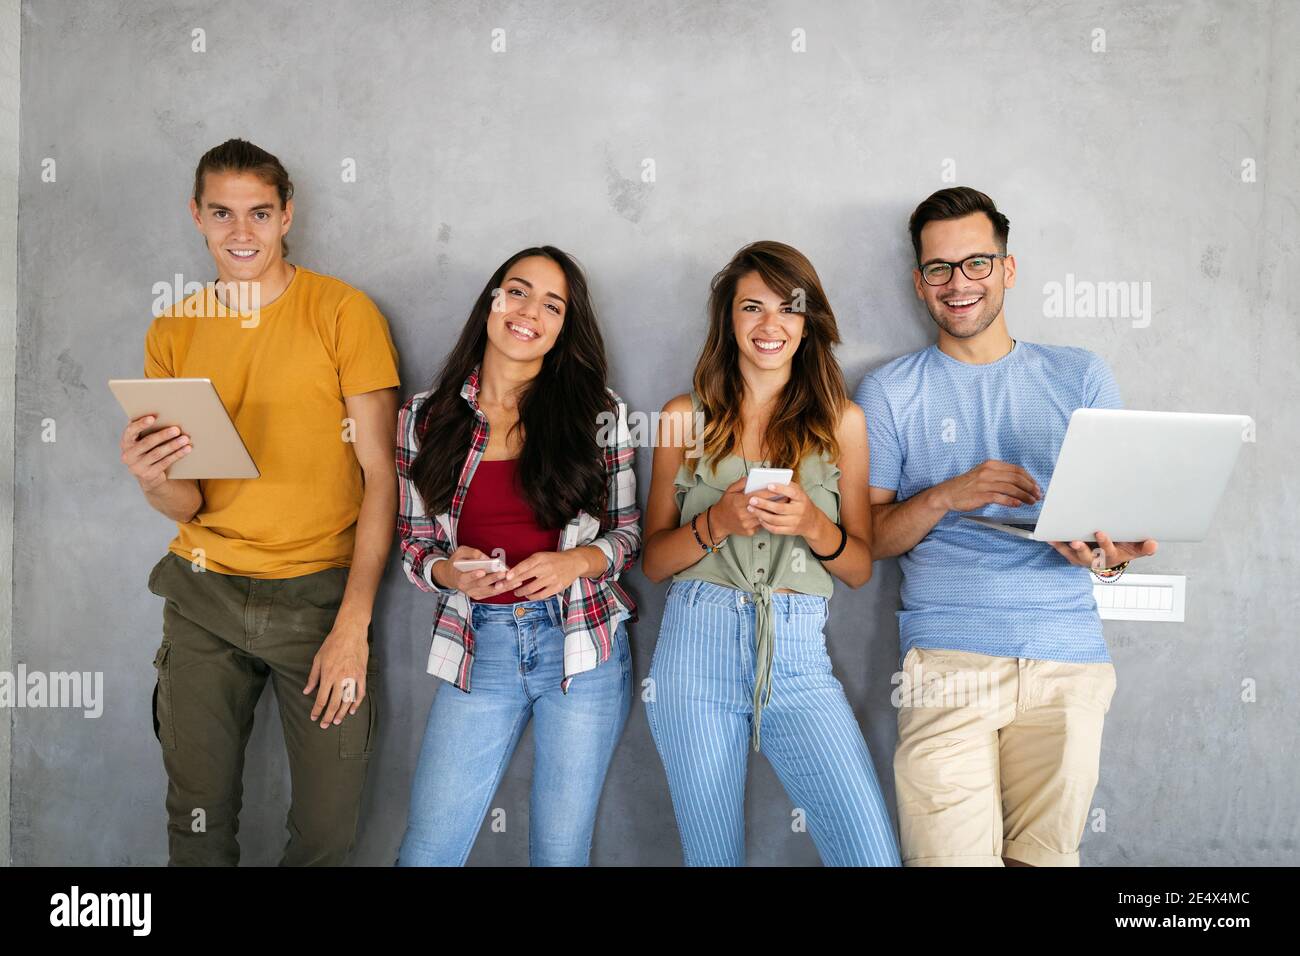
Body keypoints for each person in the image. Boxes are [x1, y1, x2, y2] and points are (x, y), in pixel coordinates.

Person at [855, 186, 1159, 867]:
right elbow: (867, 544)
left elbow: (1110, 541)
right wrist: (946, 496)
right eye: (940, 268)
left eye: (976, 263)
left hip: (1067, 658)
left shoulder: (1080, 375)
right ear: (919, 281)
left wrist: (1113, 555)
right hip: (947, 663)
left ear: (1008, 269)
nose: (958, 283)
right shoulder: (888, 391)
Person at [122, 138, 400, 865]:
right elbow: (187, 502)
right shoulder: (173, 329)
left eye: (258, 213)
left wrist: (353, 625)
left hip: (318, 599)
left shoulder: (343, 312)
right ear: (197, 216)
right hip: (202, 593)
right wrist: (152, 478)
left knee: (325, 838)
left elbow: (382, 476)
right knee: (198, 827)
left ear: (287, 216)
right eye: (222, 213)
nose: (240, 233)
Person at [641, 240, 900, 866]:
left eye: (789, 308)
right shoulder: (682, 417)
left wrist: (812, 523)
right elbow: (652, 562)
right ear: (728, 321)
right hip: (692, 656)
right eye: (751, 307)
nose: (770, 325)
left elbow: (861, 568)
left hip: (798, 655)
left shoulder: (844, 423)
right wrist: (717, 521)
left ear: (809, 323)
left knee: (870, 856)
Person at [395, 246, 640, 866]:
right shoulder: (425, 419)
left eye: (552, 305)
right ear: (491, 302)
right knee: (428, 851)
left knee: (560, 855)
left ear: (564, 328)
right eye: (517, 291)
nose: (530, 311)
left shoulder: (598, 414)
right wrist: (451, 572)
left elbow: (628, 534)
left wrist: (574, 563)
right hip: (480, 645)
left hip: (581, 648)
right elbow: (416, 545)